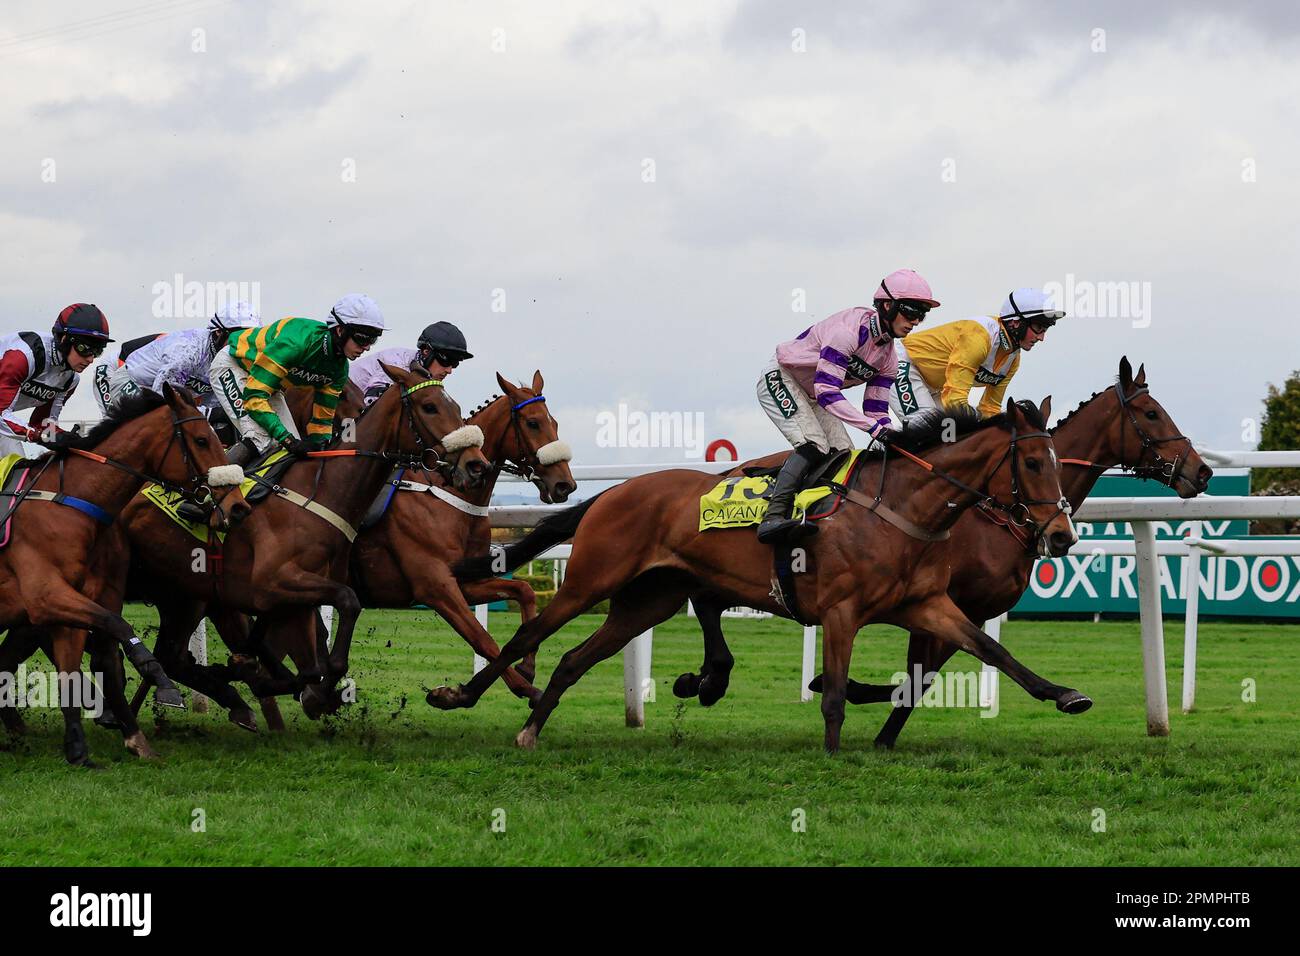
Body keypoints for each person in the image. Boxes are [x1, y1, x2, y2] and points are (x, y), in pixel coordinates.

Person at [754, 269, 940, 544]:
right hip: (782, 378)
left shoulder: (889, 357)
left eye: (922, 314)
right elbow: (828, 392)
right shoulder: (848, 331)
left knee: (843, 456)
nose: (915, 321)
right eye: (911, 311)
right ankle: (773, 516)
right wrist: (876, 430)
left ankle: (812, 514)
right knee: (814, 445)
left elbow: (876, 412)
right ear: (887, 306)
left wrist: (896, 439)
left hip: (814, 395)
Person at [891, 287, 1065, 422]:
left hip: (936, 388)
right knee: (930, 433)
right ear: (1015, 323)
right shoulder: (979, 338)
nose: (1041, 337)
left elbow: (990, 408)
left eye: (1045, 329)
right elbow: (955, 401)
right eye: (1038, 328)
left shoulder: (1013, 360)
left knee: (956, 439)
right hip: (905, 364)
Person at [95, 302, 261, 415]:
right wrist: (210, 415)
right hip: (129, 382)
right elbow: (164, 398)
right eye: (239, 337)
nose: (244, 345)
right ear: (219, 332)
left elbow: (214, 403)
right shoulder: (189, 351)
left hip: (155, 392)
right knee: (158, 417)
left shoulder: (227, 361)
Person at [0, 304, 113, 458]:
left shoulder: (70, 380)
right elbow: (2, 415)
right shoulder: (23, 357)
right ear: (64, 340)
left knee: (17, 469)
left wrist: (73, 440)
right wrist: (40, 436)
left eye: (97, 351)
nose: (90, 359)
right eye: (84, 348)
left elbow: (42, 424)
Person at [350, 321, 472, 407]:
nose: (449, 370)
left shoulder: (424, 377)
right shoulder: (397, 363)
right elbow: (371, 403)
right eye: (447, 361)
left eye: (455, 363)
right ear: (426, 352)